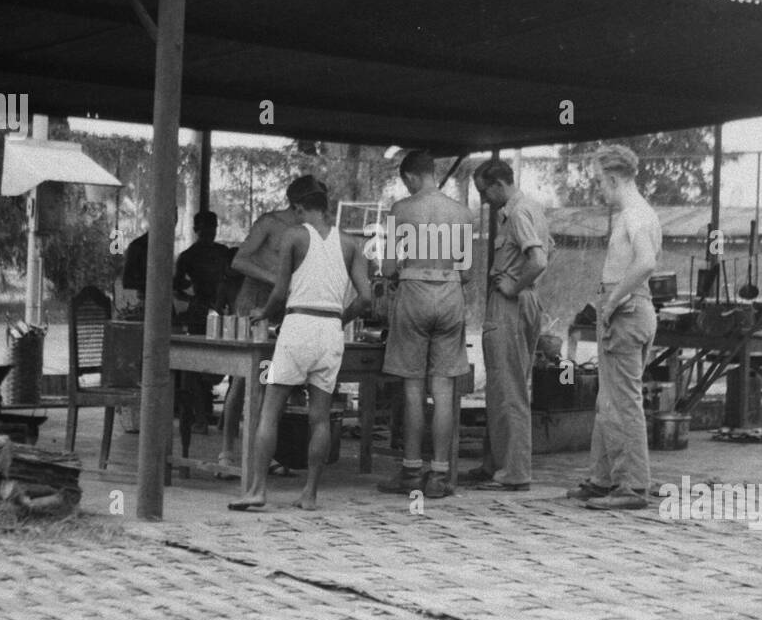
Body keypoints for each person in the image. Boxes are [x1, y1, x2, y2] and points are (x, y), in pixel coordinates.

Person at [229, 183, 371, 511]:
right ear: (326, 208)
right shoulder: (351, 244)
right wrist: (340, 320)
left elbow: (280, 292)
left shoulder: (294, 236)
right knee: (320, 418)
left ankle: (258, 490)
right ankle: (309, 494)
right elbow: (366, 297)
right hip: (329, 331)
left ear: (299, 209)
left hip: (297, 326)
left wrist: (262, 314)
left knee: (270, 410)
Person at [568, 145, 663, 511]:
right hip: (632, 309)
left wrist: (613, 300)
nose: (600, 191)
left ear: (612, 178)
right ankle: (603, 479)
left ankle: (633, 485)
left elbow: (645, 263)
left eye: (599, 183)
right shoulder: (641, 213)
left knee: (623, 402)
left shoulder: (635, 215)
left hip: (626, 311)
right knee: (608, 400)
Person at [377, 150, 475, 499]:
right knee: (444, 391)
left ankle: (411, 470)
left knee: (413, 390)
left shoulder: (400, 211)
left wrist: (405, 267)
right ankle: (440, 475)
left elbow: (388, 268)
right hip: (450, 296)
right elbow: (467, 272)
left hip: (414, 295)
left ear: (411, 178)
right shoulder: (463, 213)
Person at [214, 175, 322, 477]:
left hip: (284, 306)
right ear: (299, 202)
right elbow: (238, 261)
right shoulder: (269, 223)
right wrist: (275, 279)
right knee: (242, 378)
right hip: (254, 303)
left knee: (274, 379)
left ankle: (263, 453)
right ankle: (227, 451)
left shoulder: (309, 230)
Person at [469, 158, 550, 491]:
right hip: (524, 301)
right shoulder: (533, 208)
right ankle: (495, 463)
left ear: (498, 184)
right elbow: (547, 251)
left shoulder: (517, 214)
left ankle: (514, 472)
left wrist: (514, 286)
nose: (484, 199)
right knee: (501, 386)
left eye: (484, 191)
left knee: (509, 388)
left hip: (511, 303)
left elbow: (539, 260)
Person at [173, 210, 231, 332]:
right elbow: (176, 289)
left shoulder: (223, 251)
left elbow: (232, 278)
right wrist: (194, 300)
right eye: (205, 228)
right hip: (200, 310)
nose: (210, 232)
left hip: (224, 307)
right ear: (195, 229)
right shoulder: (188, 256)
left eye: (213, 227)